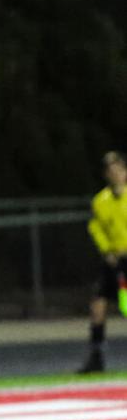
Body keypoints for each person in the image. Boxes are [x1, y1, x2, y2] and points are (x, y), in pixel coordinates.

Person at [79, 150, 127, 373]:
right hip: (113, 261)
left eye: (118, 169)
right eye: (110, 170)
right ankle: (96, 356)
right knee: (97, 304)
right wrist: (107, 251)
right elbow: (96, 228)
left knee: (126, 307)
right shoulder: (101, 201)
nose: (115, 174)